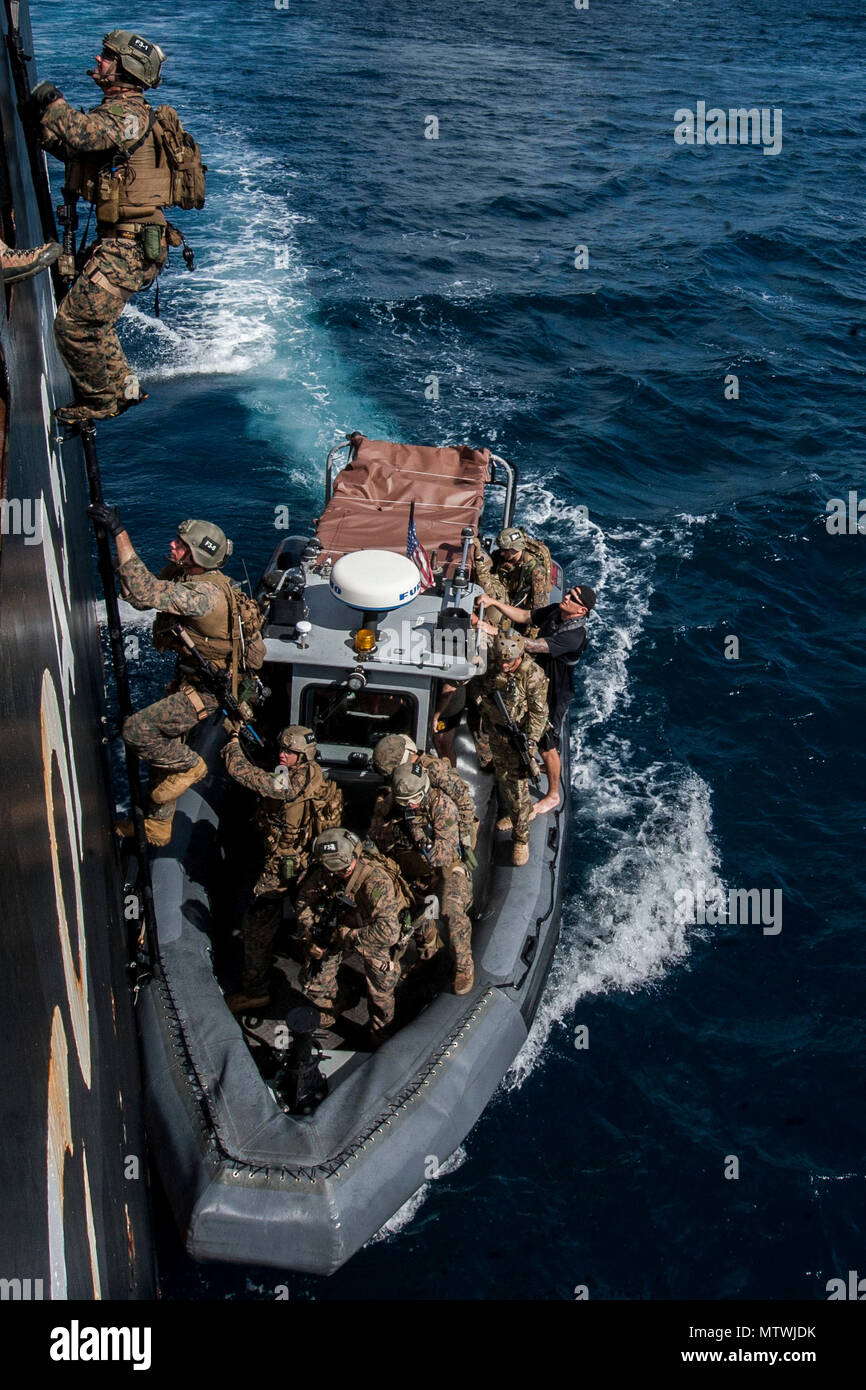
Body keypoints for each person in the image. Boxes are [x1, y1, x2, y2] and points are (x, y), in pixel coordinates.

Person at [87, 502, 263, 844]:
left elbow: (145, 591)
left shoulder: (205, 596)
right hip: (192, 679)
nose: (173, 546)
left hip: (208, 689)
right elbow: (143, 598)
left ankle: (190, 766)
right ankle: (157, 823)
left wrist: (119, 534)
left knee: (137, 731)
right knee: (160, 755)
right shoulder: (186, 576)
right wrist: (121, 570)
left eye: (181, 545)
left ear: (196, 557)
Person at [30, 30, 181, 424]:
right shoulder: (117, 113)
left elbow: (83, 132)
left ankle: (100, 402)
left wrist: (50, 100)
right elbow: (77, 148)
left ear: (123, 69)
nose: (98, 61)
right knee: (95, 322)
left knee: (75, 325)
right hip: (123, 243)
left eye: (106, 56)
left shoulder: (129, 114)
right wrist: (43, 131)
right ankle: (124, 387)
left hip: (130, 246)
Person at [221, 726, 343, 1014]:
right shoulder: (312, 772)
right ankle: (324, 995)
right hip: (304, 861)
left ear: (302, 756)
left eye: (289, 752)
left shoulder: (287, 785)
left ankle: (256, 991)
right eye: (282, 749)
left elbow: (240, 771)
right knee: (309, 920)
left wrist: (233, 742)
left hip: (282, 865)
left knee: (256, 927)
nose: (282, 754)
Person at [474, 584, 594, 815]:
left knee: (547, 744)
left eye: (573, 598)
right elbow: (527, 616)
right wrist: (495, 603)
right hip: (534, 682)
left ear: (581, 611)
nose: (566, 596)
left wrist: (492, 630)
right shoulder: (556, 612)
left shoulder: (574, 636)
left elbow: (534, 646)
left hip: (554, 693)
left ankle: (553, 795)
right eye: (569, 593)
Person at [369, 763, 475, 993]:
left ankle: (464, 967)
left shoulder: (442, 806)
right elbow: (376, 834)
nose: (411, 805)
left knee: (451, 911)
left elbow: (443, 854)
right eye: (405, 801)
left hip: (444, 871)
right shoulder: (395, 804)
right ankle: (428, 954)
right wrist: (394, 832)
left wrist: (417, 833)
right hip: (409, 869)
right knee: (407, 912)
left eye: (415, 799)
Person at [296, 829, 411, 1039]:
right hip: (338, 928)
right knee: (312, 980)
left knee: (381, 988)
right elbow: (303, 902)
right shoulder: (325, 872)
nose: (336, 874)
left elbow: (388, 932)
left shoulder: (375, 880)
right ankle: (337, 1002)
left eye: (342, 870)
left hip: (371, 934)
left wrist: (348, 935)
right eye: (332, 870)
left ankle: (382, 1032)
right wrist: (312, 933)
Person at [468, 632, 548, 866]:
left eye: (509, 661)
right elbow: (475, 685)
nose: (504, 665)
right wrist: (484, 705)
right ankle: (515, 814)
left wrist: (530, 742)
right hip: (495, 732)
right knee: (503, 778)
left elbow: (538, 713)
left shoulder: (532, 676)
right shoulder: (492, 664)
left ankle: (521, 838)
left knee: (517, 787)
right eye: (501, 660)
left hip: (517, 737)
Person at [370, 733, 477, 862]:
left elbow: (465, 804)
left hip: (447, 823)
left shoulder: (434, 772)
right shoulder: (403, 778)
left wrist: (463, 841)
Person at [472, 527, 552, 634]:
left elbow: (539, 607)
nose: (501, 553)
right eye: (501, 549)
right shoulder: (501, 556)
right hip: (503, 595)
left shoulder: (535, 572)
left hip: (516, 609)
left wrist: (530, 632)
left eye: (505, 551)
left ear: (515, 550)